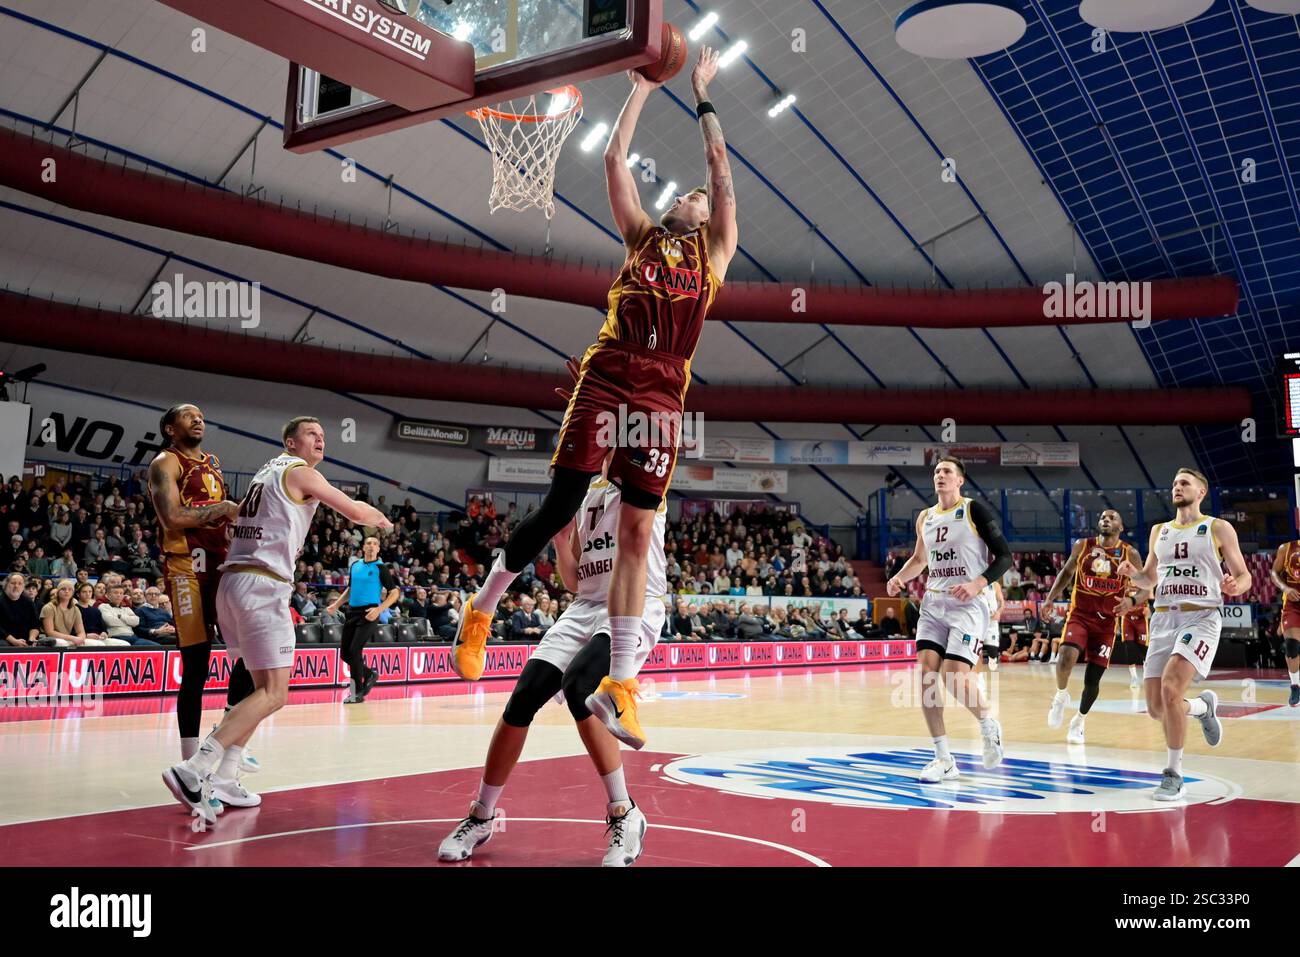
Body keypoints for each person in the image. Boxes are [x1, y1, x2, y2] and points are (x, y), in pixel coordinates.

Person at [450, 47, 739, 755]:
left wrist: (703, 98)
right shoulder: (642, 236)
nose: (692, 199)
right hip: (611, 370)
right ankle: (482, 608)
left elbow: (723, 173)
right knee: (560, 503)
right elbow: (613, 162)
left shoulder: (716, 252)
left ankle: (623, 685)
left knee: (640, 531)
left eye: (698, 200)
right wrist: (642, 88)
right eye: (686, 195)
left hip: (665, 388)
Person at [162, 416, 392, 823]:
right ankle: (194, 769)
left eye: (323, 436)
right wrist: (380, 519)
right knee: (275, 692)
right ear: (291, 442)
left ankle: (228, 775)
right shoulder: (299, 472)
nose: (320, 439)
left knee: (255, 685)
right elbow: (354, 511)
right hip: (261, 586)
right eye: (311, 434)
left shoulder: (266, 471)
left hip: (233, 582)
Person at [437, 462, 667, 866]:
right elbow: (577, 580)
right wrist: (562, 542)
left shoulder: (645, 478)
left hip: (634, 605)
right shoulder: (583, 493)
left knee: (581, 688)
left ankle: (625, 812)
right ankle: (481, 815)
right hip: (584, 607)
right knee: (522, 699)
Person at [1116, 468, 1251, 801]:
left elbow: (1244, 574)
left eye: (1184, 483)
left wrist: (1236, 585)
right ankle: (1202, 709)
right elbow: (1150, 578)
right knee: (1157, 708)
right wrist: (1134, 578)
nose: (1177, 487)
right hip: (1162, 620)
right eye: (1175, 483)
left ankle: (1174, 774)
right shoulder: (1159, 531)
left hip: (1200, 616)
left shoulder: (1217, 527)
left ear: (1201, 492)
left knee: (1170, 687)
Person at [886, 456, 1011, 782]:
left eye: (948, 471)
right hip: (934, 603)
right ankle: (943, 759)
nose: (941, 475)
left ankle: (988, 724)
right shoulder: (925, 517)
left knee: (954, 676)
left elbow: (1005, 556)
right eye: (937, 471)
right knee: (927, 677)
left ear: (960, 481)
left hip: (969, 604)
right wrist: (899, 577)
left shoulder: (973, 511)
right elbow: (919, 559)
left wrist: (977, 583)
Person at [148, 404, 256, 762]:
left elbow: (225, 518)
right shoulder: (165, 462)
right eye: (188, 415)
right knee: (197, 666)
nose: (198, 419)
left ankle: (225, 737)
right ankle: (189, 760)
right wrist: (225, 507)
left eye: (201, 416)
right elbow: (173, 517)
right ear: (169, 428)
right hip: (186, 570)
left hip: (221, 565)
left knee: (248, 651)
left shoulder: (212, 462)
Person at [1040, 510, 1148, 744]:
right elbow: (1067, 572)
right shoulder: (1083, 546)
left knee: (1093, 680)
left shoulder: (1130, 553)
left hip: (1107, 623)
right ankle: (1060, 696)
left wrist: (1130, 601)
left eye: (1112, 517)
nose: (1106, 520)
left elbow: (1145, 589)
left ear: (1121, 527)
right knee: (1065, 656)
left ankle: (1079, 720)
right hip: (1080, 614)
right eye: (1102, 517)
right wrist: (1049, 599)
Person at [326, 536, 399, 703]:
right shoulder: (355, 566)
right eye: (368, 543)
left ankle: (356, 692)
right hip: (351, 612)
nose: (371, 546)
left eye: (375, 544)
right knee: (345, 654)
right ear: (364, 547)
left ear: (379, 549)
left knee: (354, 651)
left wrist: (379, 609)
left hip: (369, 613)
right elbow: (351, 589)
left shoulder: (381, 568)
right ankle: (369, 674)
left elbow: (394, 592)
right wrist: (336, 604)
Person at [1269, 540, 1300, 707]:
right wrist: (1286, 588)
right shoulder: (1286, 548)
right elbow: (1274, 572)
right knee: (1292, 646)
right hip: (1293, 603)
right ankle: (1295, 685)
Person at [40, 578, 104, 647]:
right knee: (63, 643)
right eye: (63, 589)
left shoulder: (75, 609)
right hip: (53, 639)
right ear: (58, 592)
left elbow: (80, 631)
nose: (67, 591)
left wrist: (80, 639)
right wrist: (73, 638)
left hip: (69, 638)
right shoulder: (49, 608)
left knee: (99, 644)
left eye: (70, 589)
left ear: (73, 593)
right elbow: (50, 632)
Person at [1, 572, 40, 647]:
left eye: (20, 584)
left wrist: (31, 638)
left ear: (23, 587)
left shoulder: (29, 602)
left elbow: (35, 624)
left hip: (25, 639)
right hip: (5, 639)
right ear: (5, 585)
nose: (16, 586)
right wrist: (14, 641)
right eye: (13, 583)